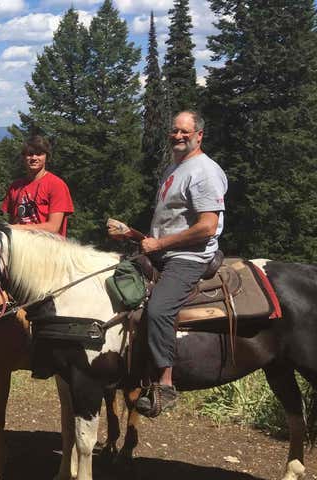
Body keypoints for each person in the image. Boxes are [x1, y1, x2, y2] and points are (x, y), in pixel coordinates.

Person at [133, 111, 227, 417]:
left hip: (189, 256)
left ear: (199, 135)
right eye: (174, 131)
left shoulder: (205, 171)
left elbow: (207, 226)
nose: (178, 136)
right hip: (163, 251)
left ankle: (165, 382)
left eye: (185, 131)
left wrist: (159, 244)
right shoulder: (176, 167)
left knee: (159, 308)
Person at [1, 135, 74, 236]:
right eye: (30, 154)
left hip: (48, 247)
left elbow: (53, 227)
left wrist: (16, 228)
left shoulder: (56, 185)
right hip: (20, 247)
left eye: (39, 154)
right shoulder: (15, 186)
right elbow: (13, 221)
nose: (34, 158)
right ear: (23, 157)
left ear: (47, 157)